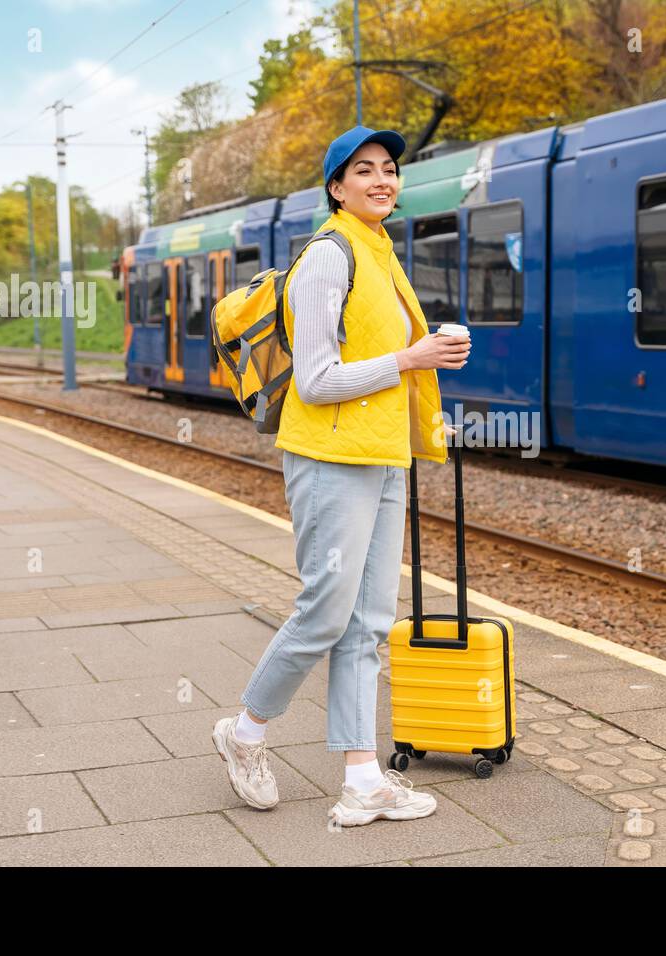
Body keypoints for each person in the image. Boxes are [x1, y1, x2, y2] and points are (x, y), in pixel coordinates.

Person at [211, 126, 471, 827]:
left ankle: (362, 780)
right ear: (336, 186)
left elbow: (384, 356)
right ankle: (245, 734)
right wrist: (414, 359)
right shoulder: (329, 256)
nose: (382, 180)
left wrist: (431, 353)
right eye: (364, 171)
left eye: (390, 169)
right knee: (325, 611)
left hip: (384, 456)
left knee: (367, 625)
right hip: (329, 456)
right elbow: (320, 382)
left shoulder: (379, 253)